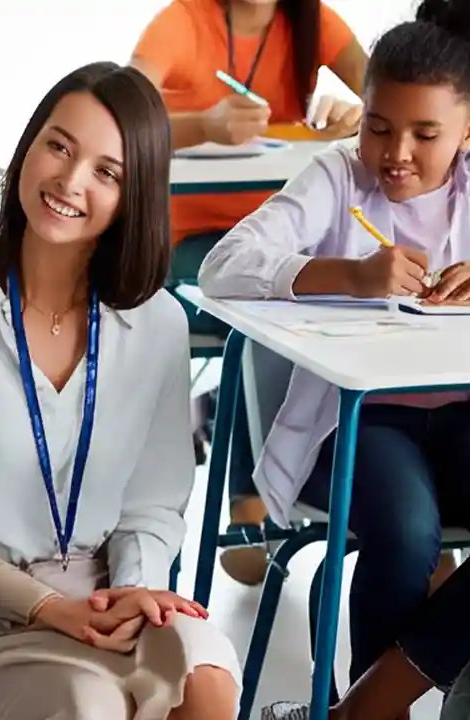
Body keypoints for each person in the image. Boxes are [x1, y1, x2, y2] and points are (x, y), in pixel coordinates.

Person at [0, 61, 241, 720]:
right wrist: (48, 608)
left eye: (107, 172)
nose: (70, 181)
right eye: (59, 146)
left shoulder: (157, 323)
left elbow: (154, 505)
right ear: (28, 147)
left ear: (134, 196)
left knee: (205, 674)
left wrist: (131, 594)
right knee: (85, 701)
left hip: (108, 608)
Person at [198, 1, 470, 717]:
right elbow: (225, 265)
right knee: (408, 538)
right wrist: (350, 275)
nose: (396, 153)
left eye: (425, 134)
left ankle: (363, 706)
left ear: (468, 132)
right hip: (360, 423)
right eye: (378, 127)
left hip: (467, 418)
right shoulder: (338, 178)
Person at [131, 0, 369, 586]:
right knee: (265, 297)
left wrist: (359, 117)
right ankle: (246, 485)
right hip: (191, 243)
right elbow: (119, 111)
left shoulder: (314, 22)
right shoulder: (184, 22)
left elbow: (394, 94)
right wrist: (203, 126)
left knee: (321, 289)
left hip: (278, 237)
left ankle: (218, 417)